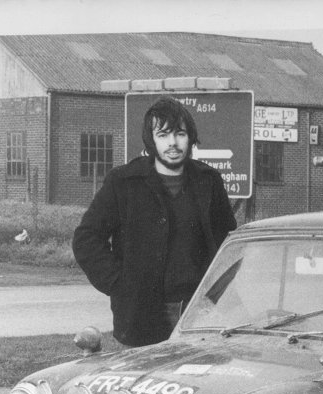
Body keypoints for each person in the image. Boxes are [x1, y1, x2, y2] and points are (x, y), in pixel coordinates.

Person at [73, 96, 236, 347]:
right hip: (141, 316)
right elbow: (86, 239)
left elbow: (230, 247)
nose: (173, 143)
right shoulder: (124, 182)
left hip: (201, 314)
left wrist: (216, 296)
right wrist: (120, 284)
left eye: (180, 133)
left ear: (190, 137)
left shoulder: (208, 181)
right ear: (151, 140)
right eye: (163, 134)